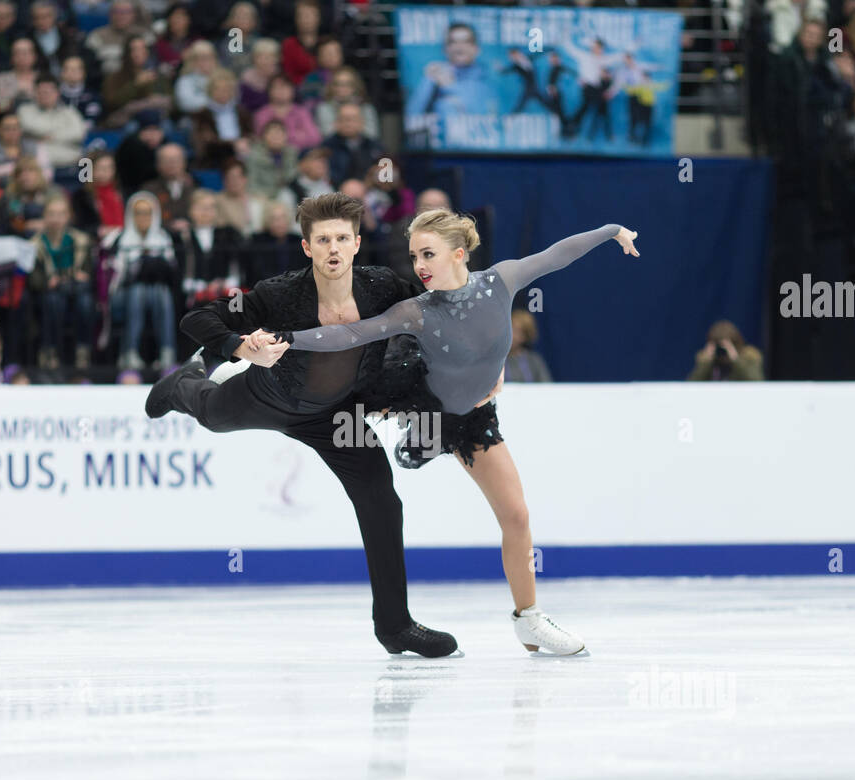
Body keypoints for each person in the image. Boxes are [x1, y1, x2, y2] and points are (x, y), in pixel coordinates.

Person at [261, 208, 641, 655]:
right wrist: (287, 336)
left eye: (428, 254)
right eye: (413, 256)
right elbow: (351, 334)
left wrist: (612, 230)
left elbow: (558, 254)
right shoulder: (415, 311)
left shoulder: (502, 281)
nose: (419, 265)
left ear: (459, 253)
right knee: (383, 411)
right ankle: (414, 443)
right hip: (425, 407)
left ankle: (529, 620)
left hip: (471, 419)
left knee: (516, 516)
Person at [144, 193, 457, 658]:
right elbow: (197, 317)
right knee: (211, 416)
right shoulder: (280, 293)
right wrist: (239, 347)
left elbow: (441, 316)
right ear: (307, 246)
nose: (333, 248)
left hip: (336, 418)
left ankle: (395, 626)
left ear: (356, 244)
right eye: (323, 239)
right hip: (270, 397)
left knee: (382, 501)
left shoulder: (383, 286)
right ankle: (184, 383)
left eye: (342, 239)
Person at [103, 191, 180, 370]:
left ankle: (167, 353)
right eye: (138, 213)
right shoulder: (119, 237)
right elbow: (113, 276)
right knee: (138, 290)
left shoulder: (162, 237)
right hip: (121, 295)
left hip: (155, 293)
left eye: (147, 213)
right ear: (130, 214)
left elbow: (170, 271)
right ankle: (130, 352)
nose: (143, 217)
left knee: (160, 291)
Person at [31, 195, 96, 369]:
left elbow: (89, 271)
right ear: (44, 216)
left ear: (68, 216)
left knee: (86, 302)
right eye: (51, 214)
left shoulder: (81, 240)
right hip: (49, 293)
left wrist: (83, 275)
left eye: (61, 214)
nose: (56, 219)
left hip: (77, 291)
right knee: (53, 302)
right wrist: (47, 281)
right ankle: (50, 351)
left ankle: (83, 350)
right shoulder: (35, 244)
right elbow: (33, 277)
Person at [688, 321, 765, 381]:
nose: (722, 351)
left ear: (735, 344)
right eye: (718, 346)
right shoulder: (707, 361)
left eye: (725, 347)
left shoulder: (749, 358)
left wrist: (736, 360)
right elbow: (692, 386)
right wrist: (705, 363)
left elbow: (757, 383)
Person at [504, 309, 553, 383]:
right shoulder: (495, 360)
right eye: (509, 329)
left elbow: (546, 387)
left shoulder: (534, 360)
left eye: (516, 331)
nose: (511, 335)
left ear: (526, 336)